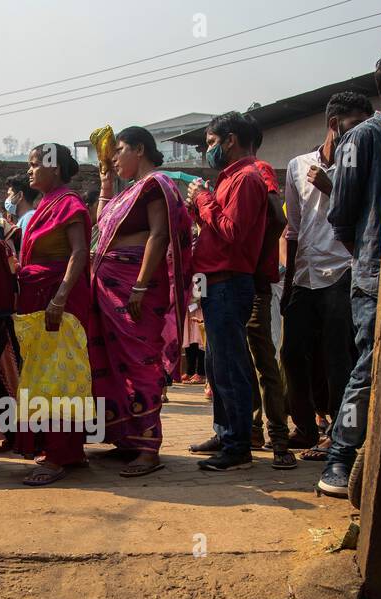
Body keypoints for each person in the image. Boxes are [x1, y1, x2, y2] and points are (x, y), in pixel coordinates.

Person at [91, 125, 193, 476]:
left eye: (120, 150)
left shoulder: (155, 185)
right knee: (115, 361)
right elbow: (101, 228)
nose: (116, 158)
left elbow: (160, 234)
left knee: (139, 363)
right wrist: (105, 184)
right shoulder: (128, 192)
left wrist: (138, 285)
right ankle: (128, 438)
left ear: (139, 149)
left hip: (134, 289)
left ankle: (149, 448)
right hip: (111, 287)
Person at [281, 91, 373, 461]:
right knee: (292, 353)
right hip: (305, 272)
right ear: (335, 125)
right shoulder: (297, 165)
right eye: (355, 125)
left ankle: (337, 437)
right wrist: (287, 285)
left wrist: (333, 187)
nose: (361, 133)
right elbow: (293, 229)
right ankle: (304, 427)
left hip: (345, 269)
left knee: (339, 358)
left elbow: (367, 214)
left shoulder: (360, 165)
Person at [318, 55, 381, 498]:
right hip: (372, 271)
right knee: (366, 365)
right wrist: (367, 257)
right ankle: (339, 459)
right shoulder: (364, 138)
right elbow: (341, 217)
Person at [184, 111, 272, 472]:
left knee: (230, 365)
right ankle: (225, 434)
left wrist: (203, 200)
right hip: (214, 282)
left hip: (229, 282)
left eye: (211, 143)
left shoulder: (247, 179)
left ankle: (238, 445)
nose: (209, 151)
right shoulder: (228, 180)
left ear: (230, 139)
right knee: (215, 365)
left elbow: (232, 231)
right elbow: (215, 229)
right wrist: (199, 206)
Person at [15, 142, 93, 487]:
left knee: (58, 378)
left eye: (36, 164)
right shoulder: (44, 203)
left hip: (58, 302)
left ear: (56, 168)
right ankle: (69, 451)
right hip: (38, 297)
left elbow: (79, 253)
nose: (30, 170)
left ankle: (58, 455)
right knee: (44, 374)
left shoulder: (69, 204)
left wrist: (59, 299)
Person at [243, 123, 295, 468]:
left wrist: (258, 261)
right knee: (244, 362)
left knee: (262, 362)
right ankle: (251, 431)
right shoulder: (235, 176)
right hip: (240, 282)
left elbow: (277, 217)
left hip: (253, 283)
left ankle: (278, 439)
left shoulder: (258, 170)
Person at [3, 175, 39, 253]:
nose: (7, 199)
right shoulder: (25, 218)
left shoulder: (28, 218)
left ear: (19, 195)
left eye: (9, 195)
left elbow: (24, 252)